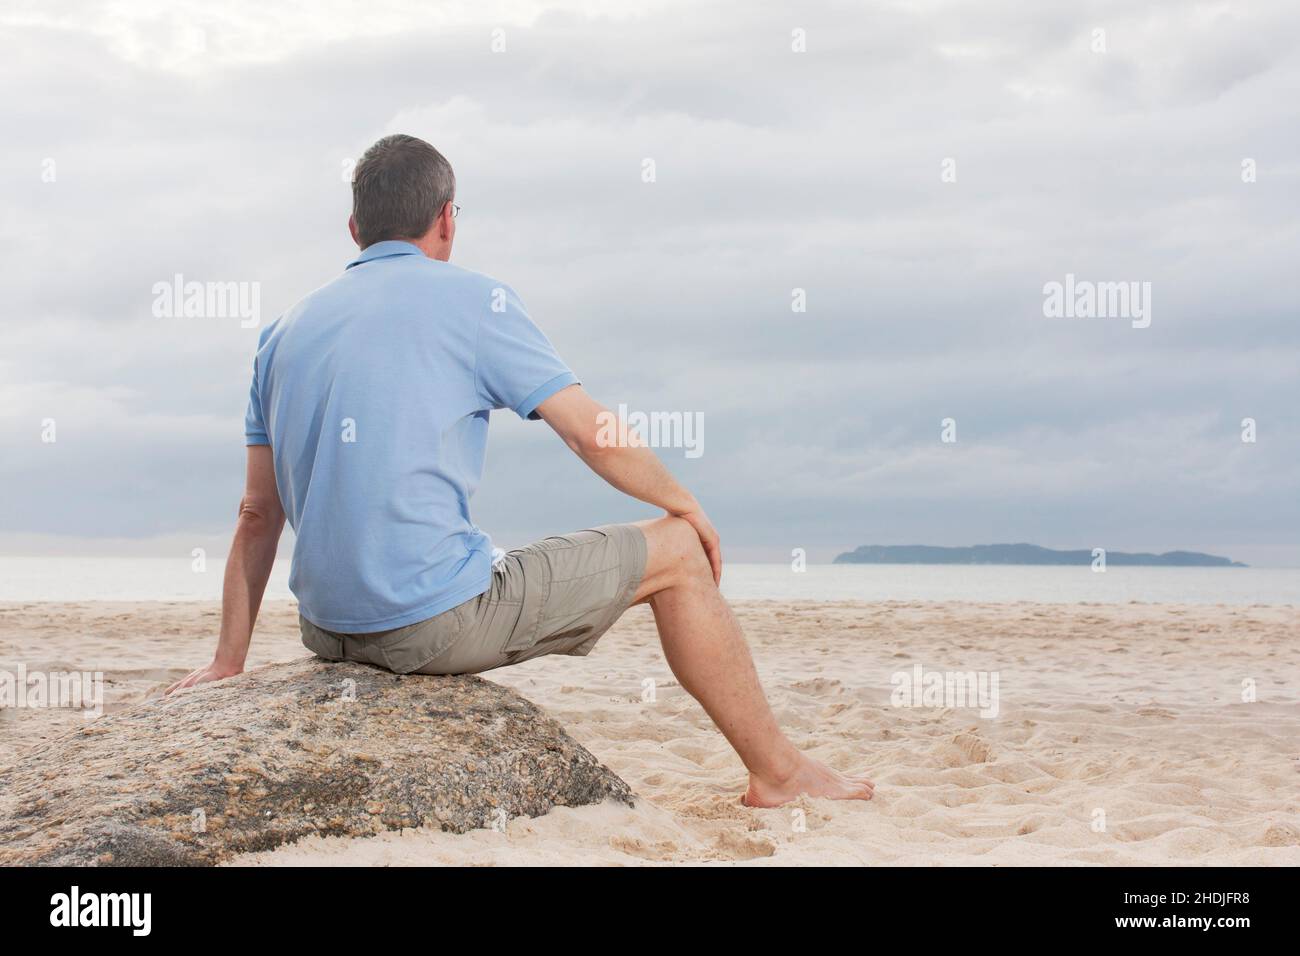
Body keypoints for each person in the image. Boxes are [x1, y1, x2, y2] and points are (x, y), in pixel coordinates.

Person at [167, 134, 873, 807]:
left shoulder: (279, 334)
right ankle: (780, 775)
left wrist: (229, 659)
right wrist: (686, 505)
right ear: (446, 220)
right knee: (681, 555)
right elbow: (591, 435)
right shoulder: (476, 304)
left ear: (355, 227)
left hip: (327, 629)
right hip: (431, 624)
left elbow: (257, 514)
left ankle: (779, 770)